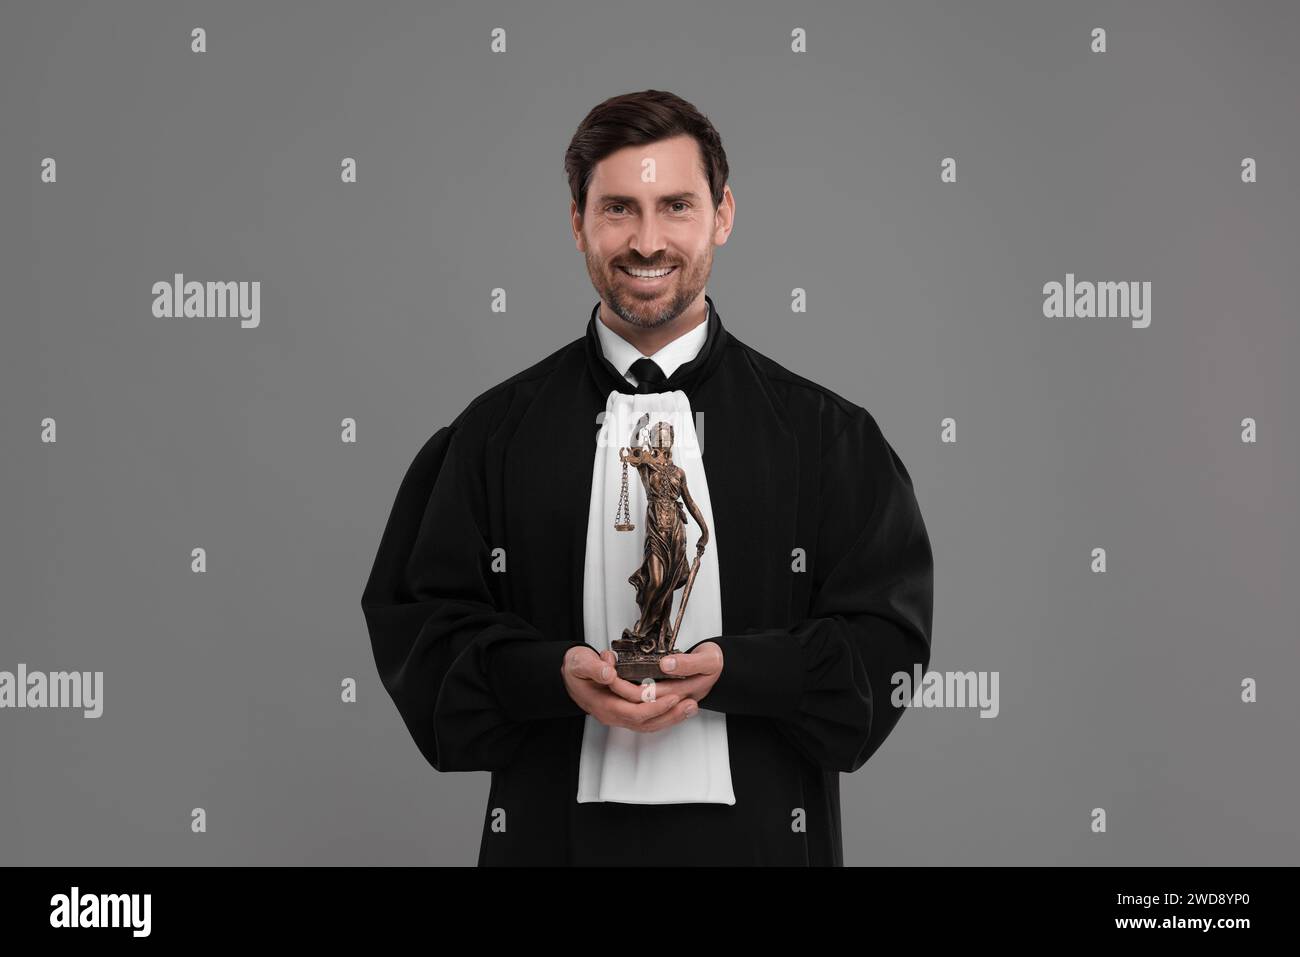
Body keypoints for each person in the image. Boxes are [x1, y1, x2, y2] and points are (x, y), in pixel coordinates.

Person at [360, 89, 934, 865]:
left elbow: (885, 651)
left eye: (676, 206)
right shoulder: (491, 436)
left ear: (723, 215)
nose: (647, 239)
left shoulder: (826, 437)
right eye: (619, 208)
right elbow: (420, 636)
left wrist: (743, 669)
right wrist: (549, 675)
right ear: (577, 222)